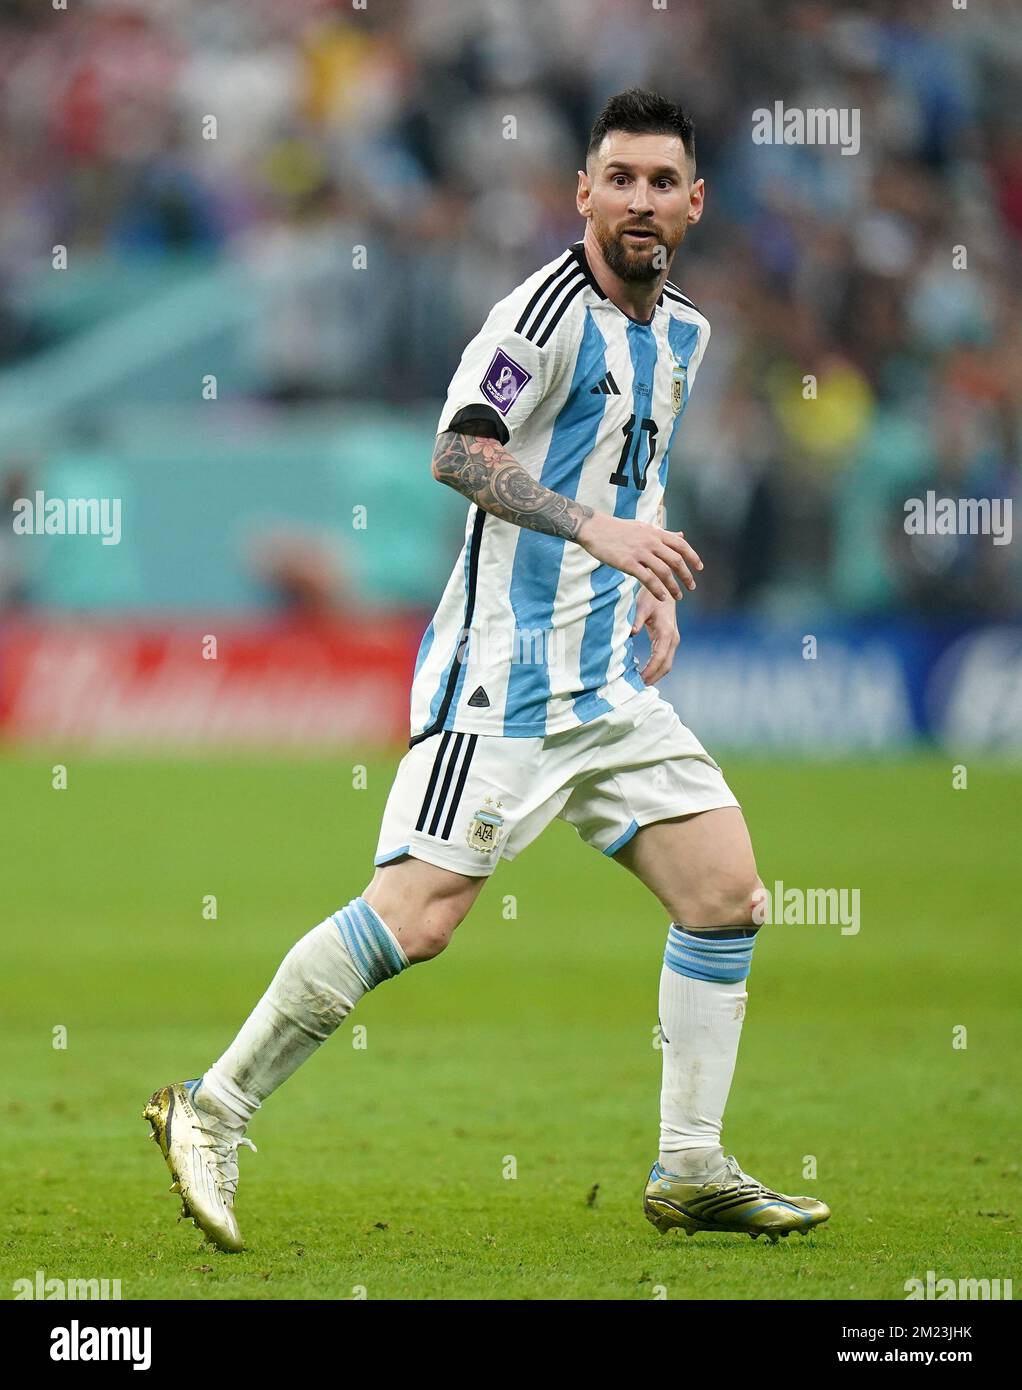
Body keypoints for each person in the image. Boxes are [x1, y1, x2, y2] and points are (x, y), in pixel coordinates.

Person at [144, 88, 829, 1251]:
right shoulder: (540, 313)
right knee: (415, 918)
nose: (639, 202)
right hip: (499, 679)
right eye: (618, 178)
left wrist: (644, 581)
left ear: (695, 202)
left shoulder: (686, 335)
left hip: (604, 682)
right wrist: (594, 535)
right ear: (582, 192)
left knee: (723, 895)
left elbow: (634, 473)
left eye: (662, 182)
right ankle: (210, 1109)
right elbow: (459, 450)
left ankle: (691, 1163)